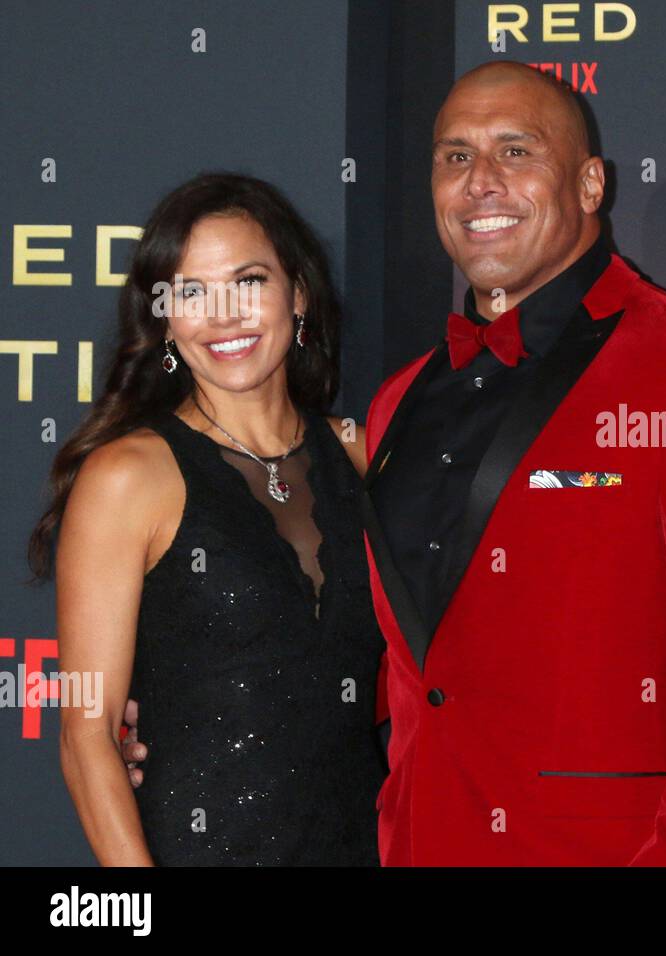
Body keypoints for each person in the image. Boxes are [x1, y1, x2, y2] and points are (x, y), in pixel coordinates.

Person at [360, 60, 666, 865]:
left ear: (589, 185)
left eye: (515, 151)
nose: (480, 182)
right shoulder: (395, 402)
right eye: (455, 156)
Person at [30, 173, 387, 865]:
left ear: (299, 294)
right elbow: (88, 736)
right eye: (191, 292)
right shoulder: (129, 476)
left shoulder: (365, 455)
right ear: (165, 317)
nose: (223, 316)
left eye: (249, 280)